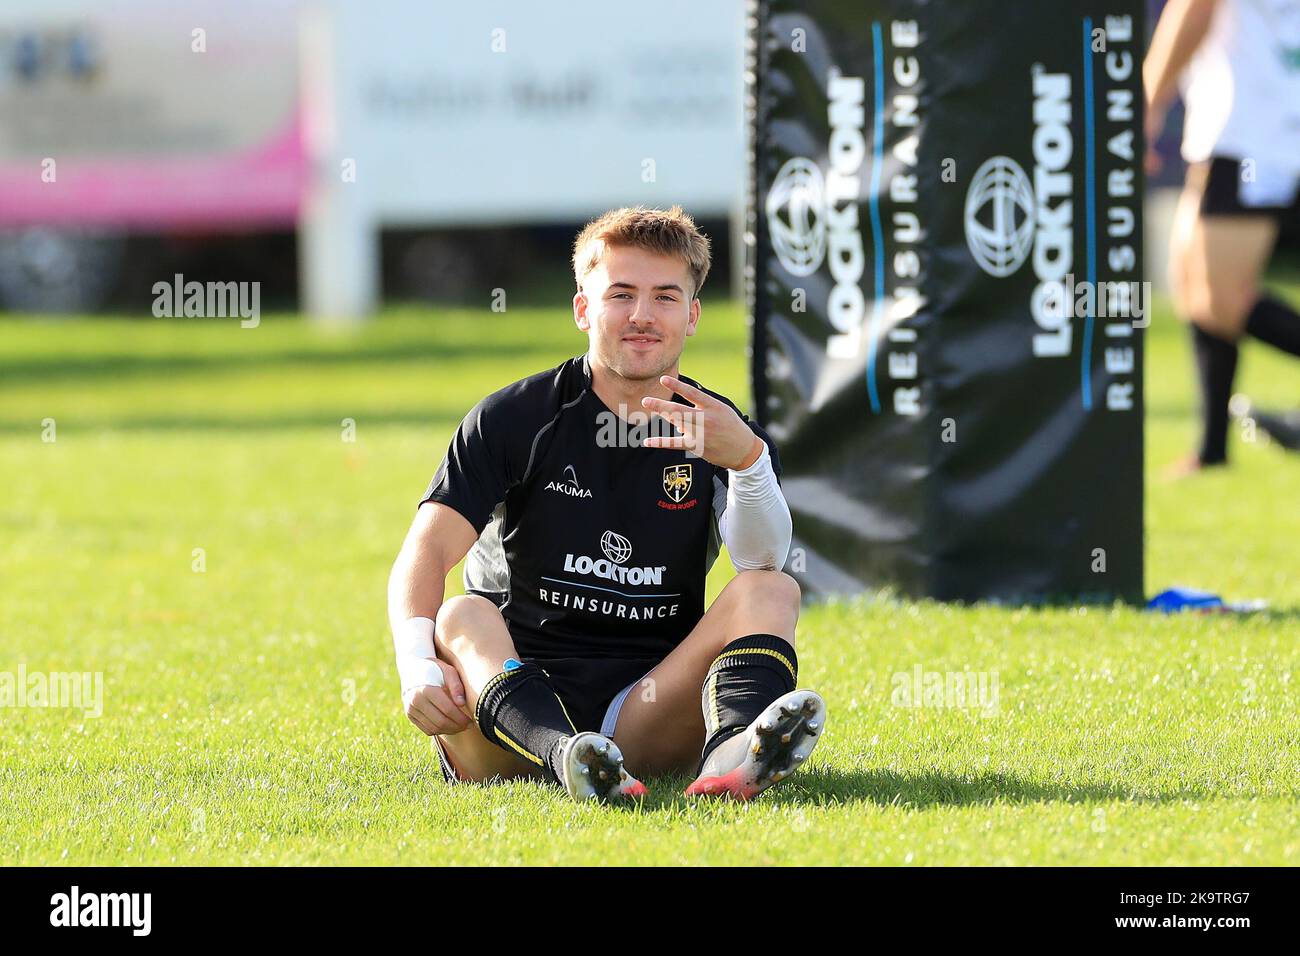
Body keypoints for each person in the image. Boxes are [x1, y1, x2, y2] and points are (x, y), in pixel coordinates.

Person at [386, 206, 826, 802]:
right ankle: (567, 755)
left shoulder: (718, 428)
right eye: (621, 294)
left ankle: (732, 760)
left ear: (692, 315)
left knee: (774, 589)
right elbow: (427, 547)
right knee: (462, 614)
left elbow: (762, 559)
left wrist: (748, 462)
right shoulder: (515, 419)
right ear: (582, 309)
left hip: (643, 711)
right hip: (505, 715)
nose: (643, 316)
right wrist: (416, 664)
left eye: (665, 297)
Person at [1145, 0, 1300, 473]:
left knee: (1223, 299)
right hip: (1235, 126)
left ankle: (1213, 452)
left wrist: (1146, 103)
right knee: (1192, 285)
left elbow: (1195, 9)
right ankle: (1212, 452)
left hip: (1255, 131)